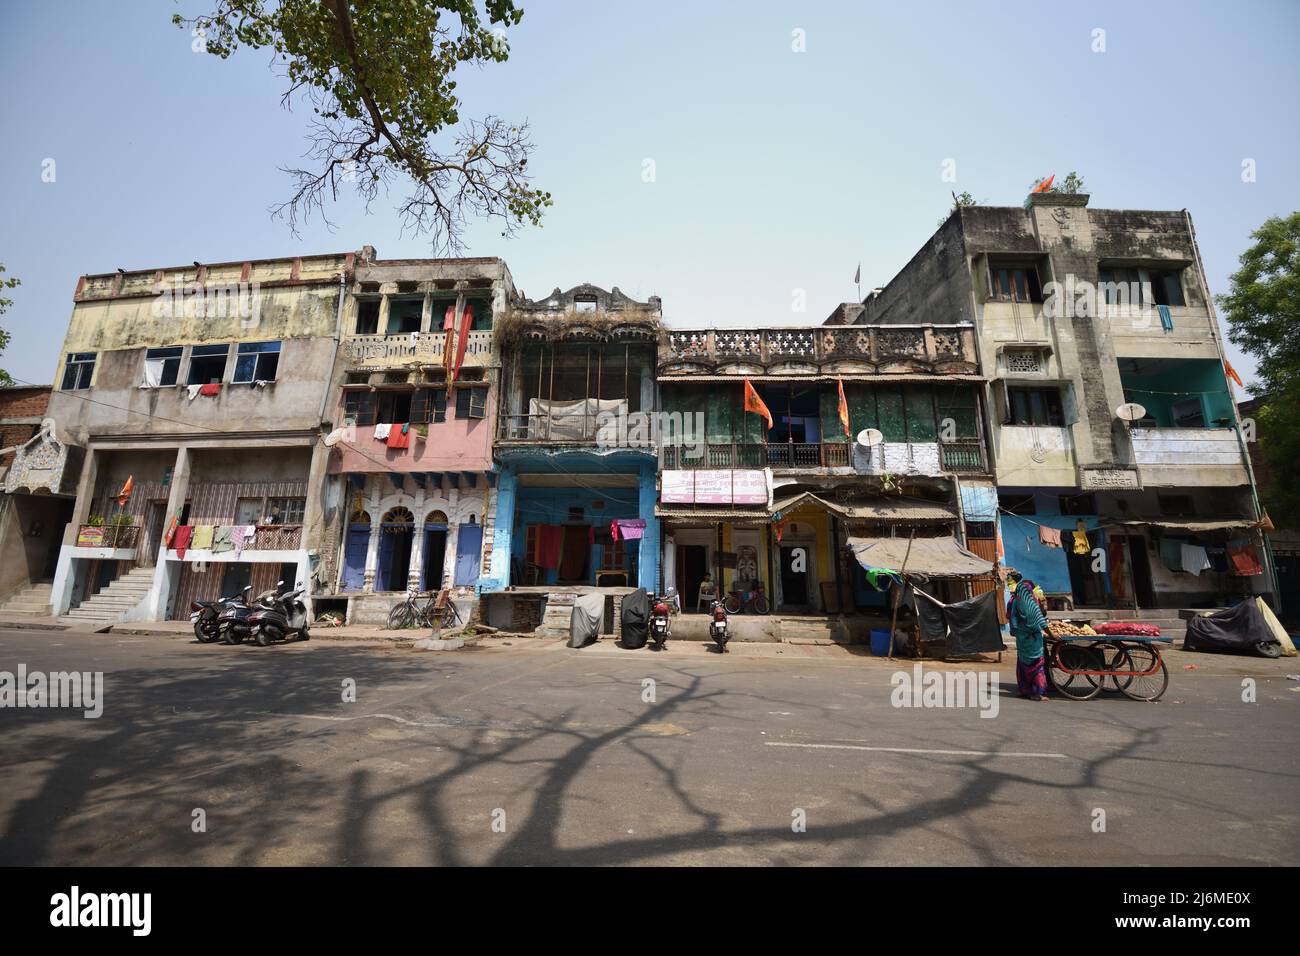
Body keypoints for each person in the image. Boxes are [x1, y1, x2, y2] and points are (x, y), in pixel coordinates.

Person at [1006, 569, 1050, 700]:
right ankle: (1037, 693)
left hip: (1021, 639)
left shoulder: (1014, 602)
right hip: (1034, 639)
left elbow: (1011, 618)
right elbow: (1041, 620)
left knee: (1023, 665)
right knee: (1037, 666)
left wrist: (1017, 632)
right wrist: (1052, 634)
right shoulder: (1033, 602)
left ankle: (1024, 690)